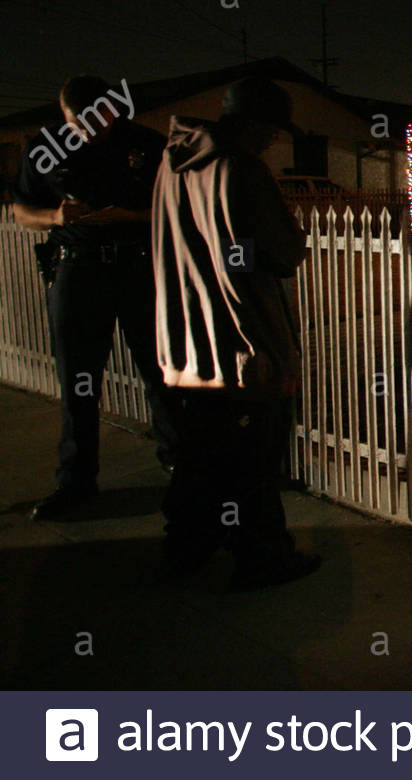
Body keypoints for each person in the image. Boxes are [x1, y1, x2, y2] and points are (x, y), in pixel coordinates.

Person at [151, 76, 320, 589]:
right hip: (244, 344)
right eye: (272, 131)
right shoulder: (240, 168)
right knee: (255, 463)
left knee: (201, 458)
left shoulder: (171, 164)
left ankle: (186, 548)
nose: (275, 141)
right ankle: (263, 557)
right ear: (252, 125)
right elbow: (283, 252)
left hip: (189, 341)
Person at [14, 74, 182, 520]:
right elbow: (20, 209)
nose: (88, 132)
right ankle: (76, 482)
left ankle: (181, 462)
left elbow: (176, 206)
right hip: (77, 268)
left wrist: (129, 214)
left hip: (137, 266)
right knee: (77, 381)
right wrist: (53, 215)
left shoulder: (146, 144)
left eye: (97, 121)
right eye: (77, 124)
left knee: (160, 369)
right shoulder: (45, 149)